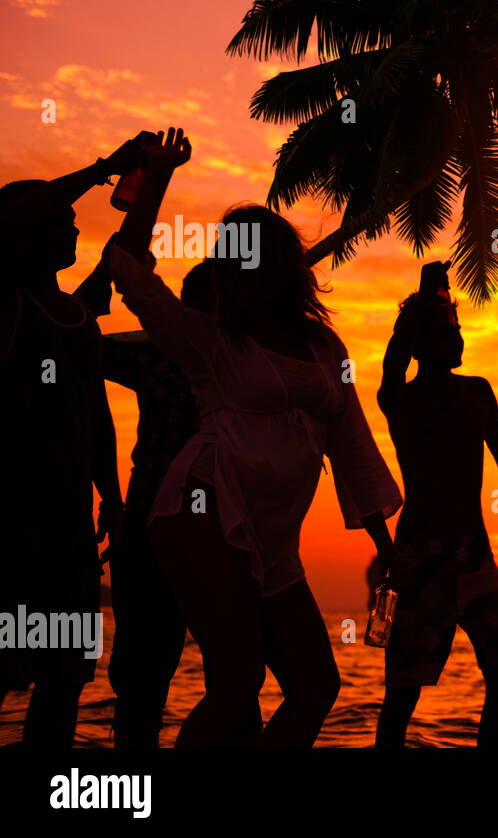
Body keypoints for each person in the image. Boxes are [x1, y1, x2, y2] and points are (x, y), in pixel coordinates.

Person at [107, 128, 403, 748]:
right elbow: (129, 272)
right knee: (238, 680)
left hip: (274, 535)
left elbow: (353, 446)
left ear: (282, 264)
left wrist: (386, 545)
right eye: (233, 255)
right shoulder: (212, 340)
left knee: (316, 685)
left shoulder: (324, 347)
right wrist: (158, 176)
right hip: (202, 509)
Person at [371, 261, 498, 749]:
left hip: (474, 556)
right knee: (403, 693)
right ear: (419, 344)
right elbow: (393, 362)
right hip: (419, 560)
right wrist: (423, 299)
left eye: (457, 329)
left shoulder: (478, 392)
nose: (456, 338)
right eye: (444, 331)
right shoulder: (401, 401)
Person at [0, 135, 143, 745]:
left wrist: (112, 498)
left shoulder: (80, 316)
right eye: (61, 221)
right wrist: (106, 167)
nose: (75, 227)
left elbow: (96, 413)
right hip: (11, 530)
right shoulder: (6, 305)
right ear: (22, 238)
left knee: (64, 681)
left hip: (70, 532)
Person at [74, 144, 214, 747]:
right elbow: (83, 334)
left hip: (211, 533)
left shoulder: (240, 362)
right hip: (150, 529)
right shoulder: (156, 353)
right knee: (142, 677)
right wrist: (153, 181)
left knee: (212, 672)